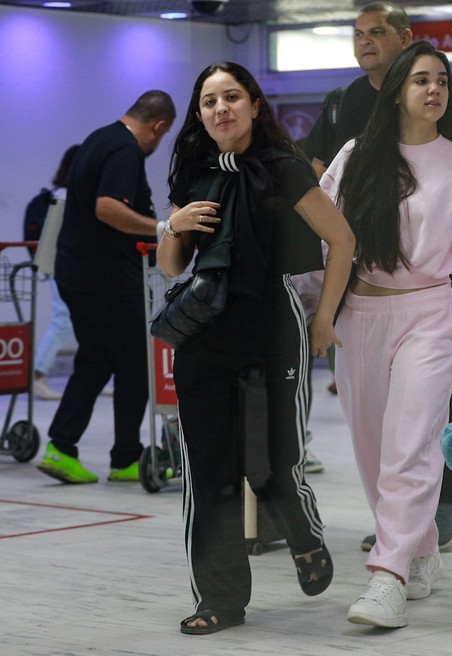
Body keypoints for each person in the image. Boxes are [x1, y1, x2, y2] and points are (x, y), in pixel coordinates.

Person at [321, 41, 452, 628]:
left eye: (441, 80)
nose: (434, 89)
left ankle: (387, 575)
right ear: (397, 93)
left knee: (410, 444)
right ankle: (420, 550)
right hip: (359, 314)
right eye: (420, 80)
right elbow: (324, 233)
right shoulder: (356, 156)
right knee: (372, 450)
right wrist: (316, 308)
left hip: (430, 313)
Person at [157, 61, 354, 635]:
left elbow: (342, 240)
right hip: (205, 335)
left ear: (254, 105)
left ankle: (303, 533)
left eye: (232, 97)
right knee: (209, 472)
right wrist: (173, 224)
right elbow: (172, 266)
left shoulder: (284, 168)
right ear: (200, 114)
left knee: (273, 462)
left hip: (271, 330)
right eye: (209, 101)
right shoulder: (194, 172)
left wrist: (324, 320)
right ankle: (219, 599)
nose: (221, 109)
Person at [304, 0, 452, 552]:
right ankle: (406, 531)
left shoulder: (450, 117)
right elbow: (318, 181)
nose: (365, 41)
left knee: (422, 416)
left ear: (404, 36)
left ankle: (425, 526)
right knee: (375, 432)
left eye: (377, 32)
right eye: (358, 33)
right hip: (363, 296)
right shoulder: (345, 107)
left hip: (432, 290)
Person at [36, 91, 176, 484]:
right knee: (135, 362)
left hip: (78, 271)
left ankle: (61, 448)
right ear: (159, 126)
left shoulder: (98, 138)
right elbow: (108, 207)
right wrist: (162, 228)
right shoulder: (126, 150)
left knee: (96, 359)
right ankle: (125, 458)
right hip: (106, 277)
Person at [27, 144, 79, 401]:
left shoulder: (63, 195)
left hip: (70, 268)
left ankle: (92, 376)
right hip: (66, 268)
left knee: (82, 323)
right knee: (64, 321)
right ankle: (37, 376)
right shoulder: (66, 197)